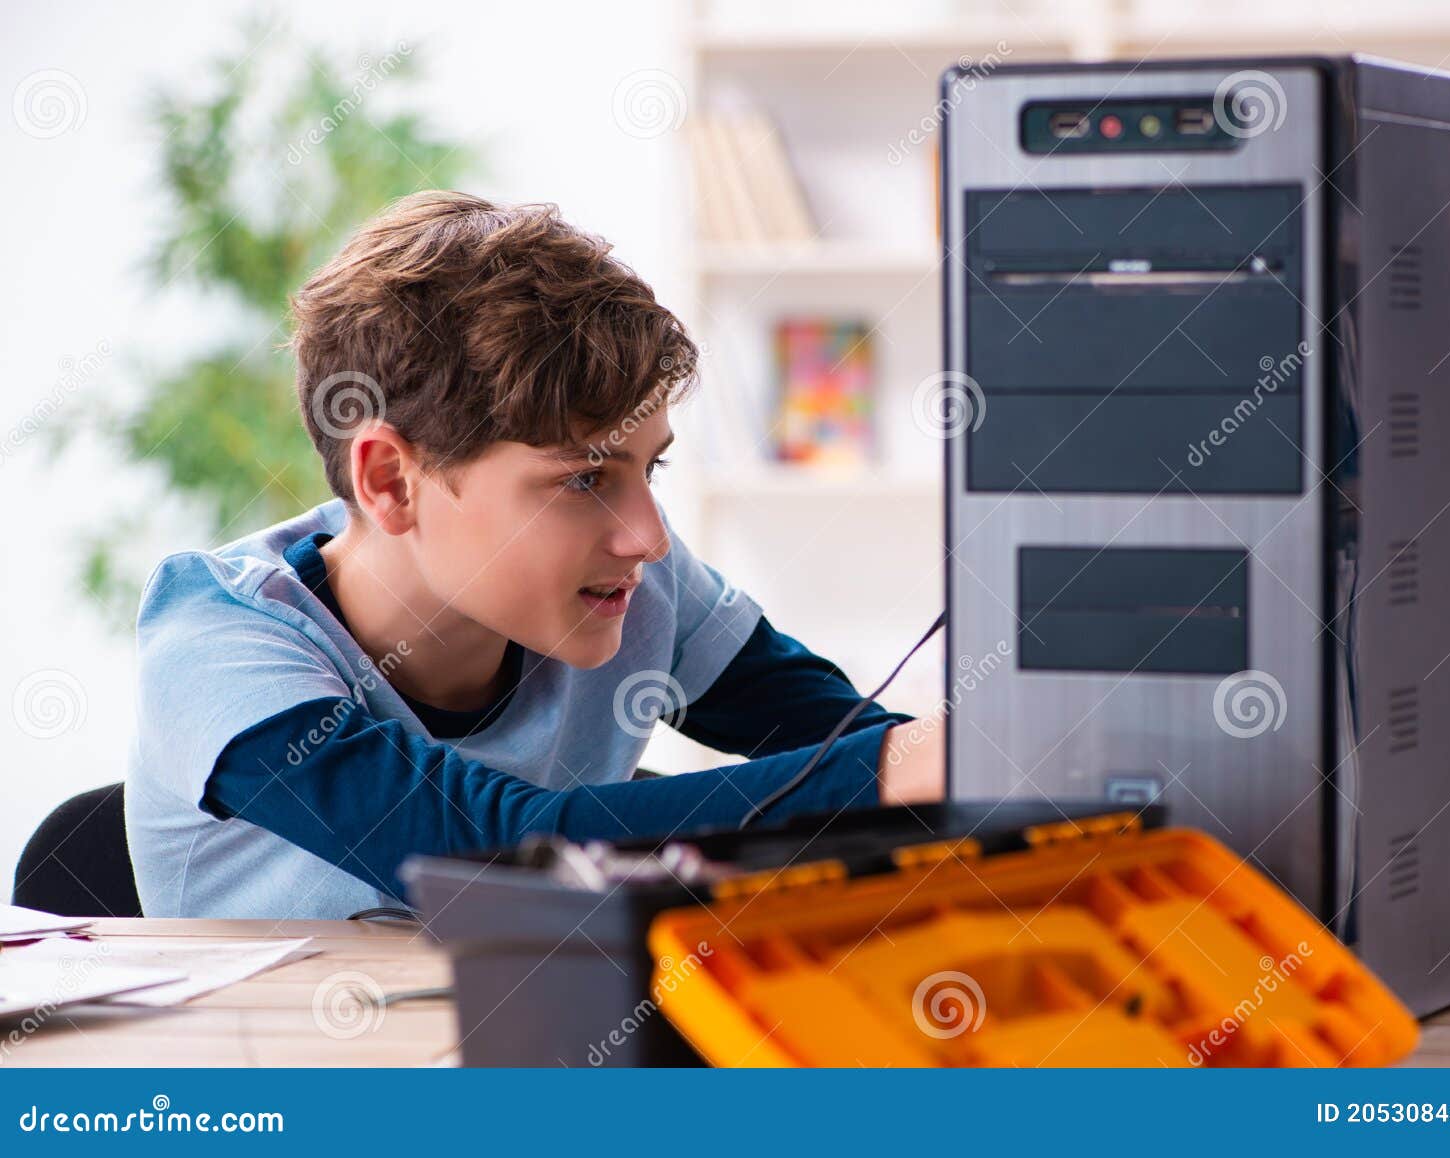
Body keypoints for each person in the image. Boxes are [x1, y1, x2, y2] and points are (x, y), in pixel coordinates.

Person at [125, 191, 945, 919]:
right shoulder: (218, 642)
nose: (648, 537)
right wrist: (894, 767)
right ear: (391, 482)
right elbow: (489, 847)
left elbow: (884, 763)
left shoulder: (635, 584)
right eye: (584, 479)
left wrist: (942, 768)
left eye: (650, 468)